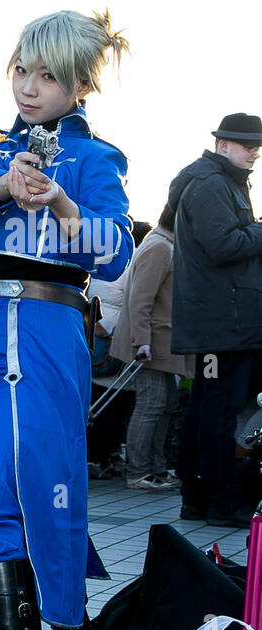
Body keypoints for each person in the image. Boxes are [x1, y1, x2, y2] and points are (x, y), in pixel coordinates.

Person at [0, 11, 133, 630]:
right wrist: (4, 179)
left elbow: (116, 250)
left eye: (47, 75)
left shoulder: (95, 158)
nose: (28, 87)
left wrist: (61, 204)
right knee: (2, 505)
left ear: (81, 83)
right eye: (21, 69)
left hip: (48, 333)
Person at [168, 112, 262, 528]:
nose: (255, 153)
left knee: (207, 410)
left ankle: (199, 499)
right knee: (216, 413)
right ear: (223, 145)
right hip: (225, 324)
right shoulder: (211, 184)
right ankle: (220, 502)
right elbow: (223, 245)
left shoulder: (215, 181)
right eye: (248, 145)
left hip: (223, 322)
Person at [111, 204, 189, 490]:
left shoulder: (161, 243)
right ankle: (139, 471)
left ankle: (153, 467)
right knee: (152, 404)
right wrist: (141, 340)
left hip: (159, 342)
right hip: (151, 342)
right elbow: (141, 299)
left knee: (164, 403)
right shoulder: (159, 247)